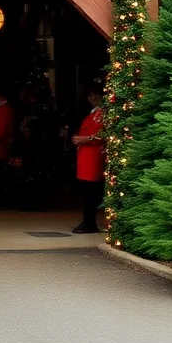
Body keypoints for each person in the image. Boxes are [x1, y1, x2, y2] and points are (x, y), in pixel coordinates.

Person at [70, 79, 106, 234]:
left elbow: (102, 135)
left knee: (91, 192)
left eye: (95, 95)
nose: (92, 98)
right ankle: (87, 221)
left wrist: (85, 139)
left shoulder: (102, 114)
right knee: (86, 191)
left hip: (93, 155)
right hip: (86, 155)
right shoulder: (93, 114)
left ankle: (89, 222)